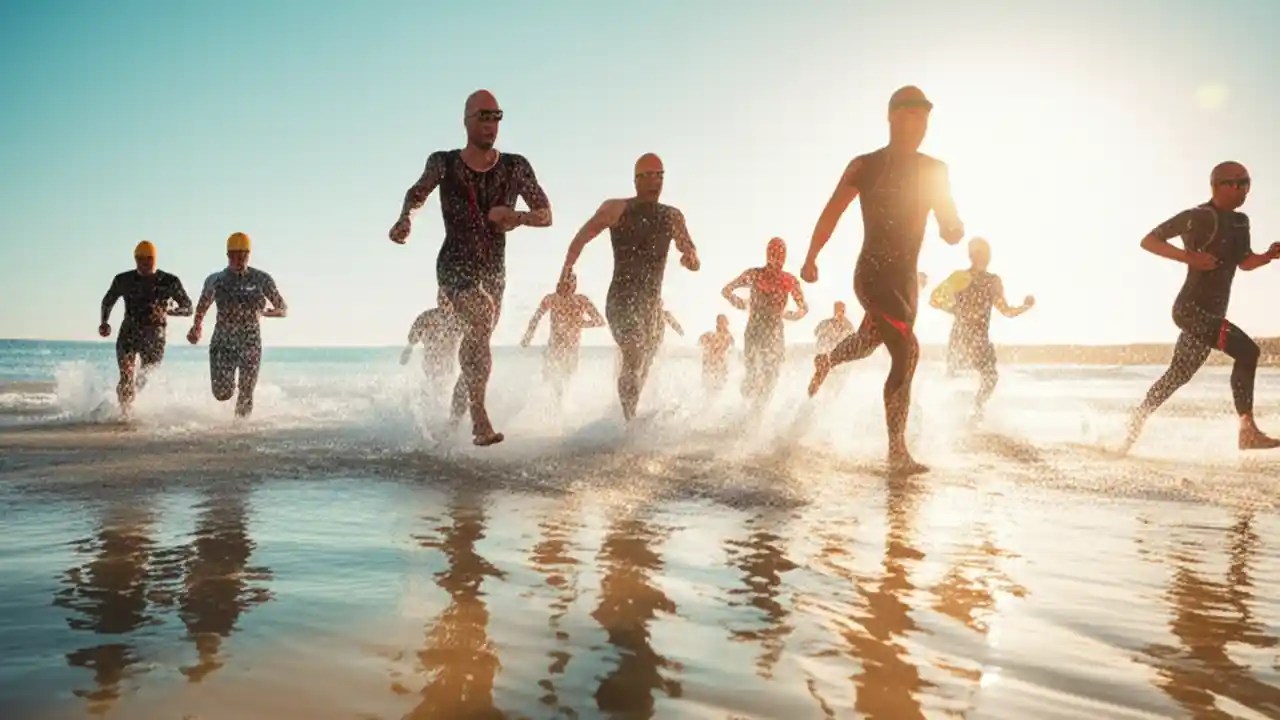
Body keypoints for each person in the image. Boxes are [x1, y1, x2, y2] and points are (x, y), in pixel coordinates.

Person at [800, 86, 964, 474]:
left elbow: (948, 221)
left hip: (906, 282)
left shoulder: (935, 170)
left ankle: (829, 359)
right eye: (911, 114)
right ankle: (897, 452)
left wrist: (954, 229)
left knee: (871, 341)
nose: (919, 123)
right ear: (891, 116)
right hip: (873, 273)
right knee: (907, 351)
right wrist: (811, 256)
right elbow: (831, 213)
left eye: (925, 116)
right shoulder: (865, 165)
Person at [388, 89, 552, 446]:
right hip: (453, 266)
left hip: (494, 271)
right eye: (483, 116)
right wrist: (405, 219)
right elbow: (418, 192)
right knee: (480, 318)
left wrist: (516, 217)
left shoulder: (515, 166)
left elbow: (546, 214)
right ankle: (479, 417)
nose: (490, 124)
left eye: (496, 116)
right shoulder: (444, 163)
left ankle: (452, 426)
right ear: (466, 120)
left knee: (479, 345)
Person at [1122, 161, 1280, 453]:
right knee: (1247, 351)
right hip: (1191, 310)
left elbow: (1244, 261)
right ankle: (1247, 431)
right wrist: (1188, 257)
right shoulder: (1199, 216)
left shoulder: (1240, 222)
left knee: (1177, 376)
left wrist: (1268, 256)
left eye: (1245, 183)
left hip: (1212, 316)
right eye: (1234, 183)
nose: (1241, 189)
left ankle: (1131, 429)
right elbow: (1149, 240)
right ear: (1216, 185)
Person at [558, 153, 700, 421]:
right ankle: (629, 424)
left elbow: (689, 249)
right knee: (634, 353)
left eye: (659, 175)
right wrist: (566, 270)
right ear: (635, 180)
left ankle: (627, 415)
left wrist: (690, 257)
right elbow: (581, 237)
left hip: (652, 308)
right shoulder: (616, 208)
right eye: (646, 176)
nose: (653, 181)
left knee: (642, 364)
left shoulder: (672, 216)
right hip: (621, 300)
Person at [929, 237, 1034, 421]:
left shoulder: (965, 278)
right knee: (988, 377)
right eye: (984, 253)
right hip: (973, 338)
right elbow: (1007, 312)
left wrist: (956, 310)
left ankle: (965, 413)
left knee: (970, 376)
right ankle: (973, 409)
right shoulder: (988, 281)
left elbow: (934, 301)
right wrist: (1026, 307)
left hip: (962, 338)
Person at [187, 232, 287, 419]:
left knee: (247, 390)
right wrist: (196, 327)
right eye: (235, 255)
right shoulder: (216, 279)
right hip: (222, 341)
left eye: (244, 255)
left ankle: (240, 433)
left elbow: (282, 308)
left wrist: (269, 312)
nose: (240, 260)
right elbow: (202, 305)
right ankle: (227, 388)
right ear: (228, 255)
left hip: (250, 341)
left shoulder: (261, 279)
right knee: (222, 394)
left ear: (249, 255)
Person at [99, 240, 193, 417]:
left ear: (155, 259)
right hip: (129, 332)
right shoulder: (123, 280)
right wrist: (104, 322)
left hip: (155, 335)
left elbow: (188, 308)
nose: (144, 263)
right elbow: (108, 301)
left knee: (143, 379)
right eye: (140, 259)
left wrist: (170, 311)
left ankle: (134, 406)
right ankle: (124, 413)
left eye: (148, 259)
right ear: (135, 259)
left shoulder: (168, 281)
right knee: (126, 376)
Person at [722, 237, 808, 403]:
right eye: (774, 252)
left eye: (780, 253)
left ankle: (757, 410)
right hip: (760, 328)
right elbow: (726, 290)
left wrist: (792, 315)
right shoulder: (757, 275)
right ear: (768, 254)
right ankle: (750, 401)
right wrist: (738, 302)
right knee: (755, 373)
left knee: (769, 373)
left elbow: (803, 308)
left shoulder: (785, 280)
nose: (777, 257)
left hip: (770, 329)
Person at [520, 272, 606, 400]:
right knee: (549, 381)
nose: (569, 286)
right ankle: (546, 408)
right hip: (554, 347)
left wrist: (582, 323)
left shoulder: (581, 300)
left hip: (571, 349)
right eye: (566, 283)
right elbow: (536, 317)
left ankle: (562, 408)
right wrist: (528, 336)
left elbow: (600, 321)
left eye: (572, 283)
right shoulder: (552, 299)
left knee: (566, 382)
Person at [401, 291, 468, 406]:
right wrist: (409, 349)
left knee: (446, 389)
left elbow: (471, 337)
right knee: (432, 391)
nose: (443, 302)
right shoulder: (428, 317)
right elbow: (412, 337)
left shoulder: (458, 319)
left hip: (449, 366)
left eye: (446, 299)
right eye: (441, 298)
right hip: (430, 364)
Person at [698, 314, 735, 394]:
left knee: (716, 386)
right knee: (712, 386)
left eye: (724, 322)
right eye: (722, 322)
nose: (725, 325)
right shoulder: (712, 335)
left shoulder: (727, 337)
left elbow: (730, 350)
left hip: (718, 364)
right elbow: (701, 341)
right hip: (714, 363)